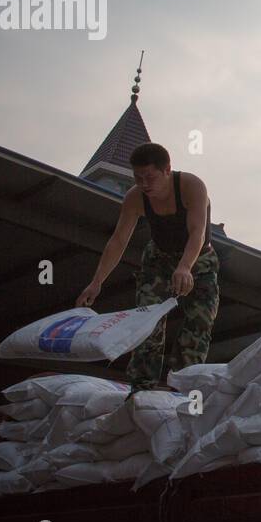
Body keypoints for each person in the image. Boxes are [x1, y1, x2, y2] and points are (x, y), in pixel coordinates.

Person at [76, 143, 220, 392]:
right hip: (159, 260)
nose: (144, 184)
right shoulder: (134, 198)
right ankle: (142, 384)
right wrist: (97, 281)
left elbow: (197, 232)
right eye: (138, 177)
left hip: (199, 260)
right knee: (147, 321)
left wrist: (185, 267)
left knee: (200, 322)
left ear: (167, 170)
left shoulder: (191, 186)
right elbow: (119, 240)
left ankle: (183, 383)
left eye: (150, 177)